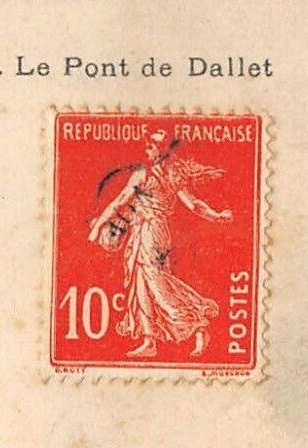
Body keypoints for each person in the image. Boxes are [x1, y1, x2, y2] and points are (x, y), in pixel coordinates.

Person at [88, 129, 234, 359]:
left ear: (165, 148)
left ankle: (197, 325)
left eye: (154, 142)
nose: (148, 144)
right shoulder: (168, 174)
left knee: (155, 283)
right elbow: (193, 204)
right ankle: (149, 340)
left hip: (150, 232)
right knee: (143, 283)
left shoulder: (148, 174)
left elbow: (121, 201)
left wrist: (97, 227)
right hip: (148, 231)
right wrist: (216, 215)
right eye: (148, 141)